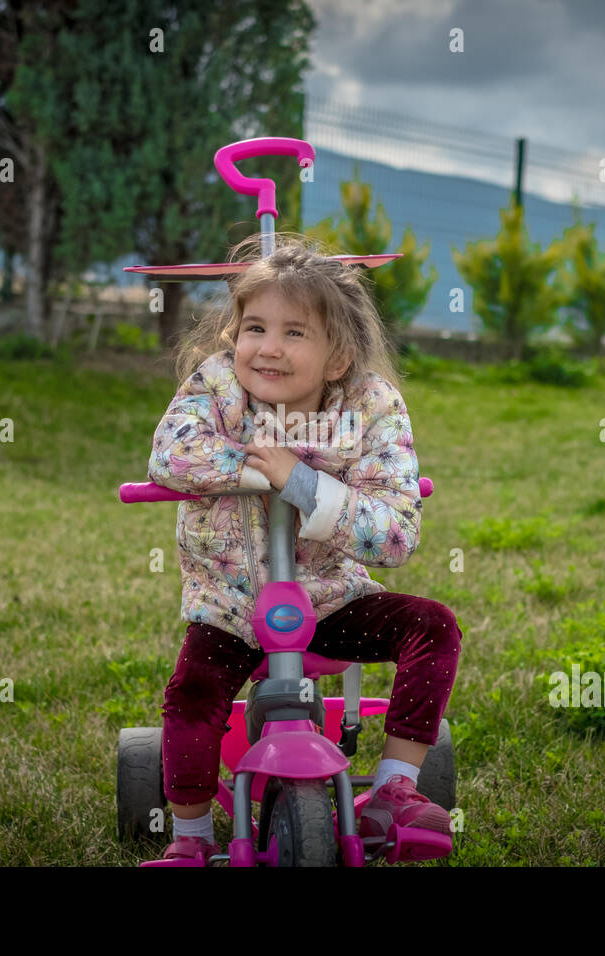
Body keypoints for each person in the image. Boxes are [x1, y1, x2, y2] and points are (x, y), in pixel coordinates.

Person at [144, 232, 462, 863]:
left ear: (338, 355)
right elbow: (168, 454)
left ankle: (395, 788)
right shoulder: (216, 388)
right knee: (193, 695)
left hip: (329, 602)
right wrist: (259, 468)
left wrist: (307, 482)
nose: (267, 348)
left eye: (295, 333)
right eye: (254, 327)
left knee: (433, 626)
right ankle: (191, 836)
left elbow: (396, 531)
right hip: (231, 608)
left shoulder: (370, 406)